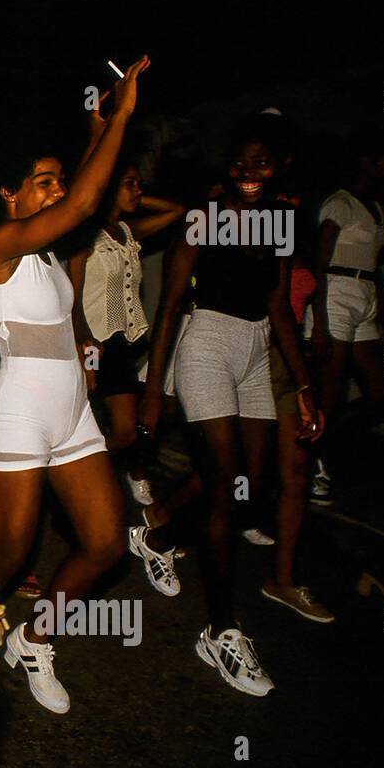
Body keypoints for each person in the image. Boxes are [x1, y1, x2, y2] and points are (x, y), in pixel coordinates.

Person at [0, 55, 151, 714]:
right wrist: (123, 118)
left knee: (105, 543)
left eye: (55, 180)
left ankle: (33, 638)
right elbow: (79, 202)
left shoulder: (48, 256)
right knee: (11, 557)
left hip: (73, 412)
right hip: (20, 411)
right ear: (10, 198)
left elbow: (78, 201)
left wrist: (96, 134)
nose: (53, 189)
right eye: (39, 183)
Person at [139, 117, 325, 696]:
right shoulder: (203, 221)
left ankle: (160, 538)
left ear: (279, 168)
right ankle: (222, 630)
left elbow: (278, 307)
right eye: (240, 164)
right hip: (206, 345)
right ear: (226, 168)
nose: (249, 175)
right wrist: (155, 385)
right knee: (223, 484)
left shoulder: (280, 224)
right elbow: (170, 305)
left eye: (261, 164)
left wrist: (304, 384)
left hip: (255, 350)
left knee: (253, 484)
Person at [68, 162, 185, 505]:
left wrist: (134, 196)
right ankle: (75, 479)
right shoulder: (85, 235)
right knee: (91, 424)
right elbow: (73, 297)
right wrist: (84, 345)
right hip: (93, 342)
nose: (138, 191)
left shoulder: (127, 231)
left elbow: (178, 211)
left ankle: (98, 477)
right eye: (129, 184)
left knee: (127, 431)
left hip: (123, 344)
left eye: (139, 184)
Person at [309, 135, 384, 502]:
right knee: (331, 393)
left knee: (381, 397)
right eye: (383, 161)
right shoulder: (341, 203)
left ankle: (312, 440)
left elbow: (375, 268)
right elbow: (319, 259)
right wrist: (319, 320)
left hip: (366, 297)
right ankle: (312, 462)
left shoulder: (376, 208)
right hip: (337, 294)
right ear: (365, 163)